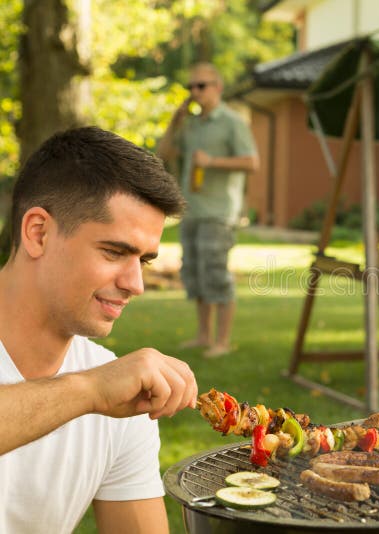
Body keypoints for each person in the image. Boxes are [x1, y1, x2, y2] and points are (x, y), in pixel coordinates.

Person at [0, 126, 198, 533]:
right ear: (38, 233)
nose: (135, 284)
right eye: (114, 252)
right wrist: (89, 391)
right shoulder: (105, 388)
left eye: (142, 261)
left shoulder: (117, 396)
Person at [157, 62, 258, 359]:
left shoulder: (232, 122)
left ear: (218, 88)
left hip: (219, 212)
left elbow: (252, 162)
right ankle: (203, 335)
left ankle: (222, 341)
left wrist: (212, 162)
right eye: (190, 87)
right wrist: (176, 119)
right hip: (193, 209)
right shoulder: (192, 124)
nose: (195, 92)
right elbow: (164, 154)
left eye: (201, 86)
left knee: (215, 274)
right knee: (196, 274)